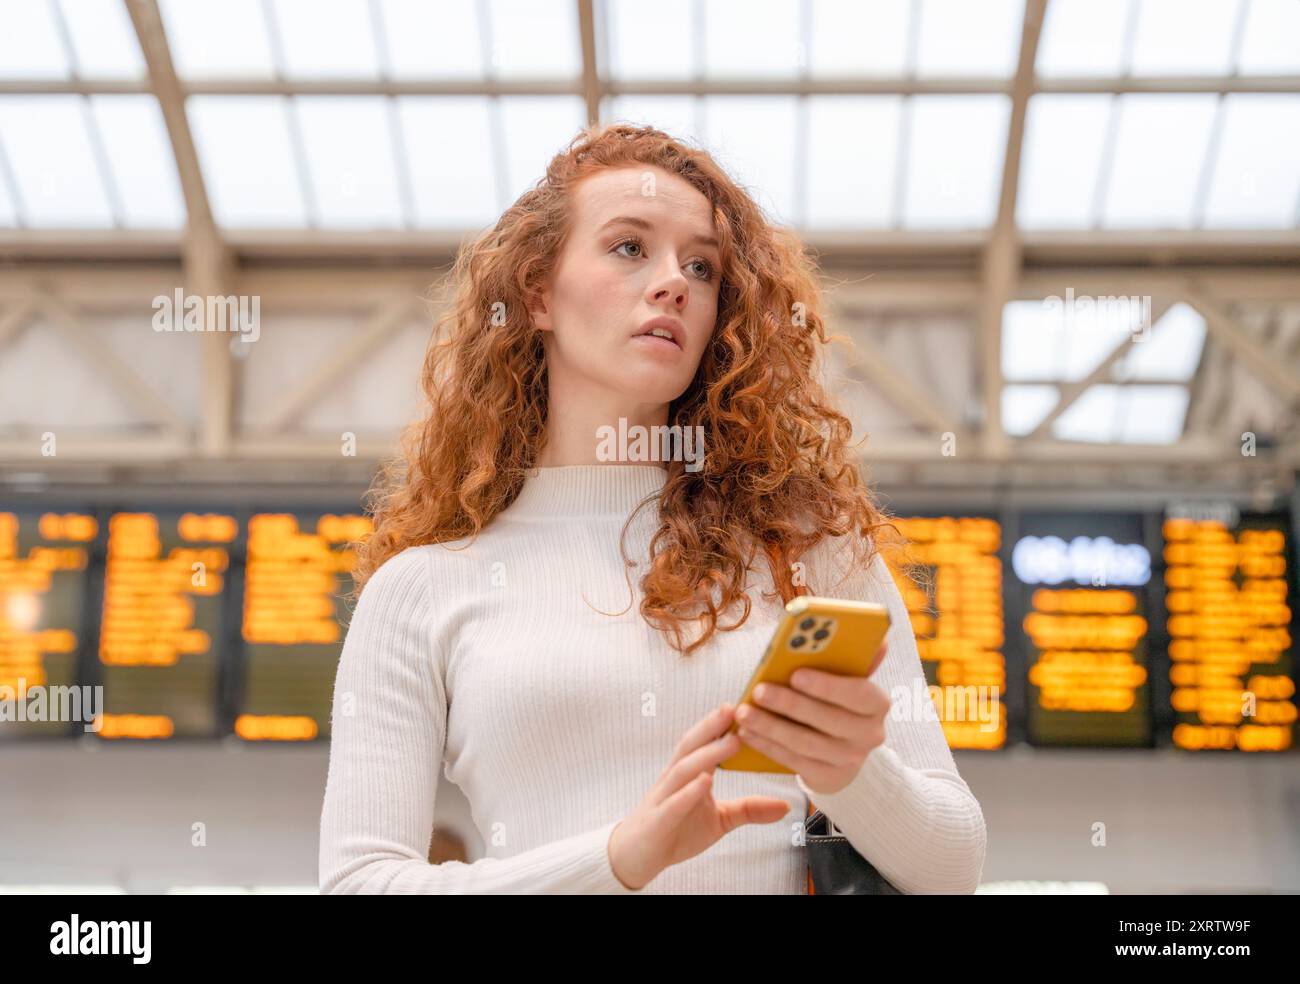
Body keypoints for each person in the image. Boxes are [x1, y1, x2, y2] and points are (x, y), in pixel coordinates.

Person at [318, 122, 986, 894]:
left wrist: (852, 773)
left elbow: (955, 869)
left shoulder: (809, 552)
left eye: (701, 266)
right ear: (537, 293)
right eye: (629, 247)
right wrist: (617, 858)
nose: (673, 281)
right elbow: (359, 884)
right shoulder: (422, 590)